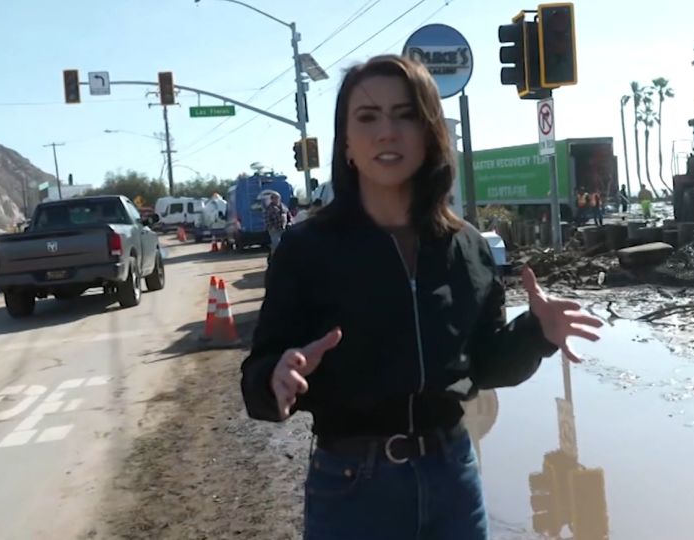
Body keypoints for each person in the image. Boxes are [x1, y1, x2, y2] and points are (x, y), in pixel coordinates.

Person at [240, 54, 603, 540]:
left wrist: (537, 333)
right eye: (367, 117)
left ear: (430, 133)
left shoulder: (468, 247)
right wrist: (276, 378)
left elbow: (486, 367)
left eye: (405, 114)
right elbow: (257, 376)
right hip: (351, 489)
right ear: (346, 143)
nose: (387, 131)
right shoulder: (306, 250)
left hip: (453, 478)